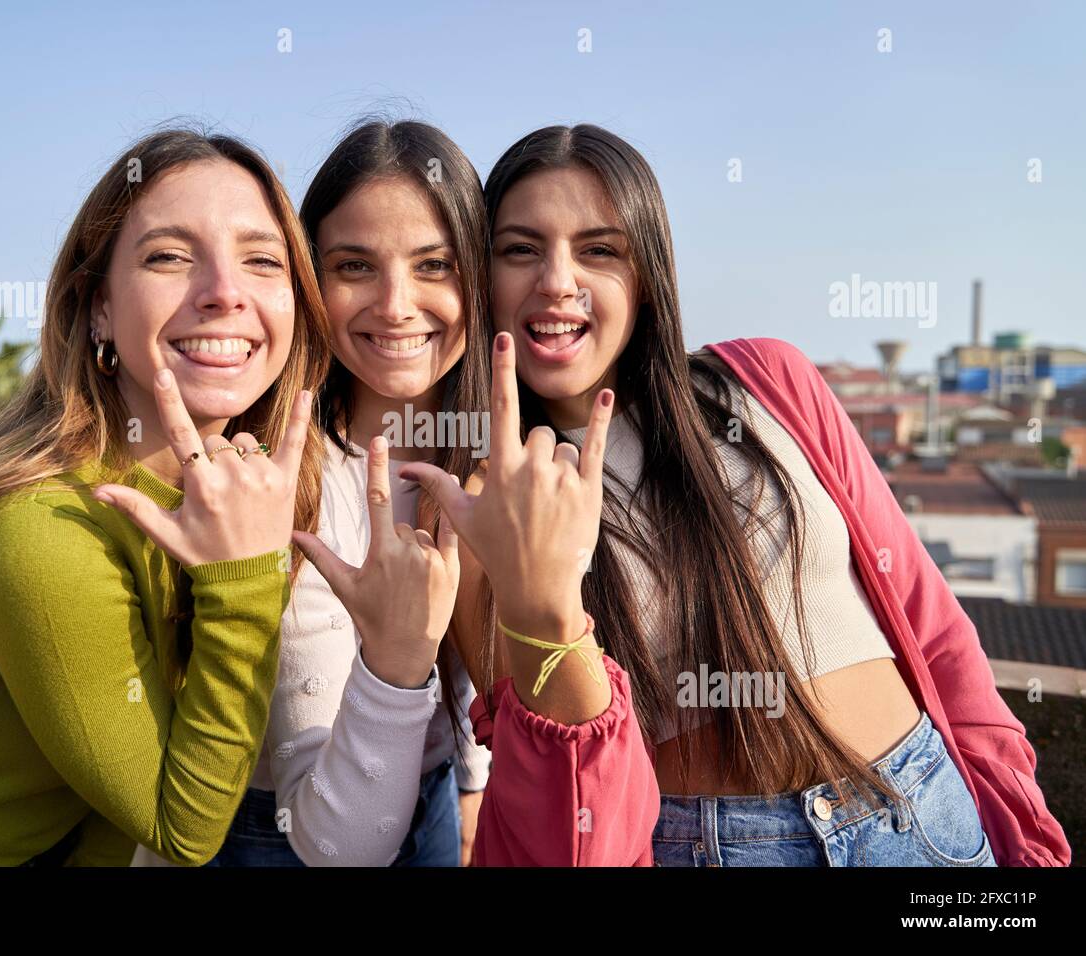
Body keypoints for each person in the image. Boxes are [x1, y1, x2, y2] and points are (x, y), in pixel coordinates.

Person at [407, 124, 1070, 867]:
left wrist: (1018, 818)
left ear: (647, 273)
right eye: (520, 250)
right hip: (709, 845)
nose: (558, 280)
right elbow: (556, 793)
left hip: (921, 815)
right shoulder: (476, 506)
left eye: (599, 250)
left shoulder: (767, 381)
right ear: (480, 277)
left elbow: (933, 625)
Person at [0, 128, 329, 866]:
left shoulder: (230, 483)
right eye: (169, 256)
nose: (225, 293)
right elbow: (182, 831)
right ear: (98, 308)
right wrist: (247, 578)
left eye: (262, 260)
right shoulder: (42, 528)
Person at [204, 120, 493, 867]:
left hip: (431, 799)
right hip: (280, 828)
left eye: (435, 265)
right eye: (356, 266)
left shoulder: (489, 445)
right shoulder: (284, 472)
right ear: (311, 280)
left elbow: (473, 657)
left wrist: (469, 781)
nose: (397, 304)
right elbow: (330, 839)